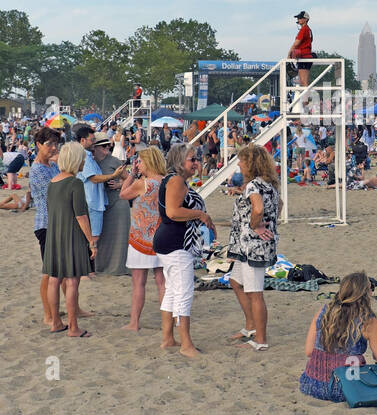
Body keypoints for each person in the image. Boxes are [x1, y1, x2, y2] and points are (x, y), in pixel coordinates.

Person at [299, 271, 377, 402]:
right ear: (365, 294)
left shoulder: (324, 312)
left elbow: (309, 351)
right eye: (371, 289)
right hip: (347, 389)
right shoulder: (368, 321)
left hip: (312, 384)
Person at [155, 143, 215, 358]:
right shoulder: (176, 180)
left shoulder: (172, 179)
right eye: (192, 159)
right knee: (183, 294)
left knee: (172, 291)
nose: (196, 163)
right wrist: (200, 215)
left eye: (196, 159)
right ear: (180, 161)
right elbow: (172, 212)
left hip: (169, 241)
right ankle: (186, 344)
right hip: (175, 242)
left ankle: (168, 338)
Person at [226, 143, 281, 351]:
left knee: (255, 292)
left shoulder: (253, 186)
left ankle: (260, 339)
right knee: (235, 282)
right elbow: (279, 205)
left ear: (251, 163)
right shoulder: (268, 185)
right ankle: (250, 326)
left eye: (242, 160)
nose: (239, 163)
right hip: (251, 245)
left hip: (252, 246)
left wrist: (254, 225)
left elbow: (257, 208)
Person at [42, 142, 96, 337]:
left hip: (54, 236)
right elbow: (81, 216)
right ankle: (73, 327)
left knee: (54, 280)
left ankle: (55, 322)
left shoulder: (53, 182)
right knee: (72, 281)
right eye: (82, 158)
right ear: (75, 159)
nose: (83, 161)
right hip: (71, 236)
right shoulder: (75, 183)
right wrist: (91, 241)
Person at [119, 146, 167, 333]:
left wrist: (131, 174)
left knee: (139, 283)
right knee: (161, 282)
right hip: (161, 236)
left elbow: (123, 194)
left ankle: (134, 322)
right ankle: (166, 323)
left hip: (140, 238)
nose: (139, 164)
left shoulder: (144, 183)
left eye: (140, 161)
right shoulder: (165, 181)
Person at [27, 127, 62, 326]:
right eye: (49, 144)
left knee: (60, 272)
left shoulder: (51, 165)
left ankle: (54, 311)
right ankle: (48, 315)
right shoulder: (38, 169)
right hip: (45, 224)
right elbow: (56, 192)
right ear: (39, 144)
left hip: (56, 223)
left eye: (55, 144)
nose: (53, 148)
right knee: (49, 272)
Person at [92, 135, 131, 276]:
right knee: (103, 237)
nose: (107, 148)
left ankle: (118, 268)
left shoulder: (114, 161)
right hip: (100, 204)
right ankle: (101, 266)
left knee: (119, 237)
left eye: (108, 146)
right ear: (95, 148)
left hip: (117, 202)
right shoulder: (90, 162)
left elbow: (129, 179)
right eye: (104, 146)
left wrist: (119, 185)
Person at [288, 10, 313, 88]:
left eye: (300, 18)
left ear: (305, 19)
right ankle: (305, 100)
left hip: (304, 57)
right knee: (304, 82)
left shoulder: (303, 29)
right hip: (307, 56)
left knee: (303, 82)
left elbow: (296, 43)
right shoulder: (308, 30)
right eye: (298, 18)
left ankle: (306, 100)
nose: (298, 20)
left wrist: (289, 54)